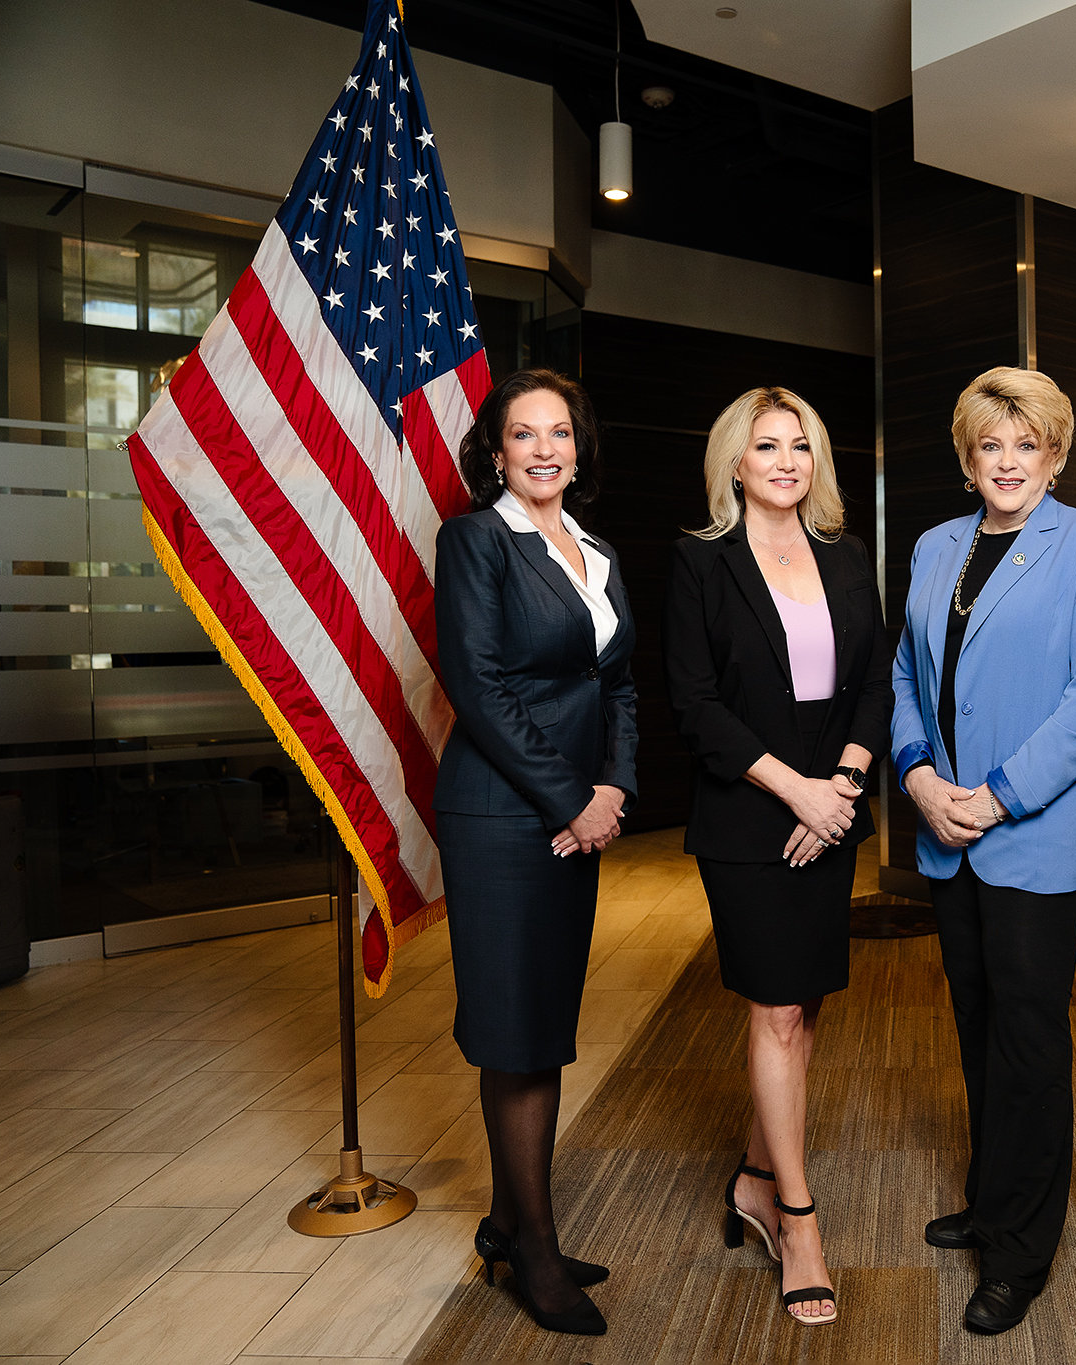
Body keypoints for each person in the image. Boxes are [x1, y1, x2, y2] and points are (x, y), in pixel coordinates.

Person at [890, 366, 1076, 1335]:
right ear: (967, 458)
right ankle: (993, 1200)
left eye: (1026, 445)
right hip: (946, 829)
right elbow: (904, 675)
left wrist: (994, 796)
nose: (1007, 462)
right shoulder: (935, 545)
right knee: (977, 1023)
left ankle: (1020, 1252)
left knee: (1028, 1043)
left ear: (1055, 455)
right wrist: (917, 776)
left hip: (1033, 834)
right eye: (990, 445)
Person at [665, 387, 891, 1327]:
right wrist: (795, 790)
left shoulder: (846, 554)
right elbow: (694, 702)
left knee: (809, 1002)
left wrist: (842, 786)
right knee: (780, 1007)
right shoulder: (701, 560)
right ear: (736, 461)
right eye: (767, 446)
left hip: (831, 806)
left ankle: (756, 1178)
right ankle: (799, 1221)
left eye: (801, 445)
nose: (786, 461)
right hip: (750, 814)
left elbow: (877, 678)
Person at [432, 368, 637, 1338]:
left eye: (561, 432)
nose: (545, 449)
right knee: (515, 1031)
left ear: (579, 448)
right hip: (501, 816)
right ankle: (537, 1254)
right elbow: (476, 685)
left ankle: (509, 1224)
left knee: (543, 1022)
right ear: (496, 450)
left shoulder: (596, 550)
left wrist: (614, 789)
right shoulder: (475, 539)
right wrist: (572, 800)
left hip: (574, 813)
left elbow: (617, 683)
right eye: (525, 433)